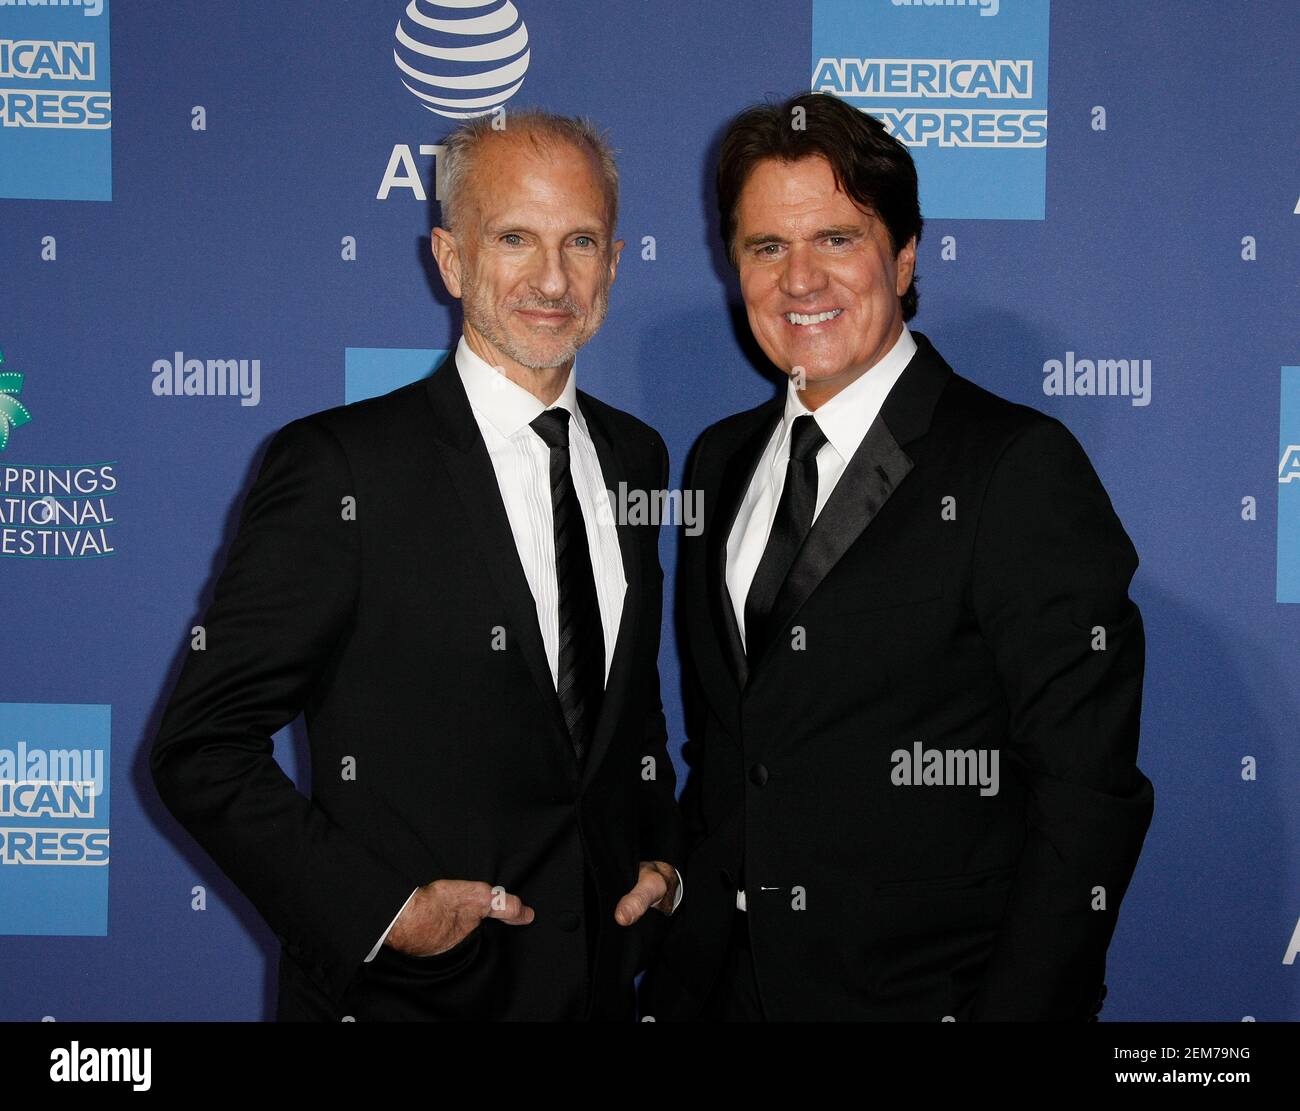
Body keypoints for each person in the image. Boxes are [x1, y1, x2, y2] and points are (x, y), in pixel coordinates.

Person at [151, 110, 684, 1021]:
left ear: (616, 261)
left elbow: (618, 723)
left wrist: (660, 860)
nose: (552, 279)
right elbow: (200, 747)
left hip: (596, 992)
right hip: (412, 1000)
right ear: (449, 258)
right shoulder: (340, 468)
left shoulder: (637, 457)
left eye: (580, 241)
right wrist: (383, 912)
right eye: (514, 238)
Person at [642, 92, 1154, 1021]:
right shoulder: (718, 461)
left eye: (836, 238)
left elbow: (1088, 801)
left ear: (905, 255)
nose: (801, 280)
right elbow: (732, 748)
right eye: (767, 247)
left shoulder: (1015, 466)